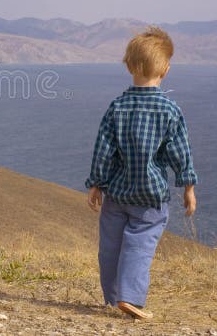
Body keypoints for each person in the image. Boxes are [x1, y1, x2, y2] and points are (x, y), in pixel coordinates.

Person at [85, 26, 198, 320]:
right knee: (140, 244)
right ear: (166, 69)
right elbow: (179, 153)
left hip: (117, 194)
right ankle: (130, 298)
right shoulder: (170, 110)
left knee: (110, 247)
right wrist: (188, 186)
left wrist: (96, 183)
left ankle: (112, 299)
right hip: (150, 195)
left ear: (129, 65)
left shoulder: (117, 107)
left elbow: (104, 149)